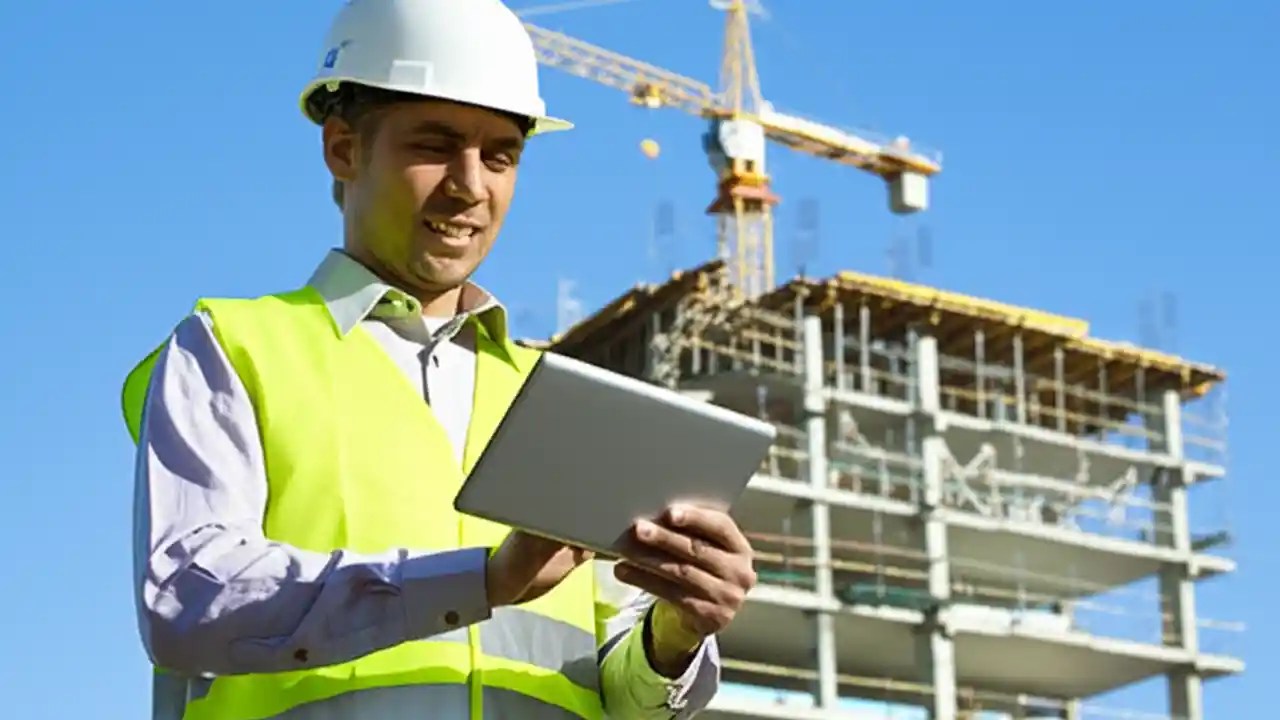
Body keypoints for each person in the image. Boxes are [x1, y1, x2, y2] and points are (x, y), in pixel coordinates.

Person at [119, 1, 758, 718]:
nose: (470, 185)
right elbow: (188, 600)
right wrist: (480, 581)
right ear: (342, 149)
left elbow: (620, 692)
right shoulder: (234, 349)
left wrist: (673, 637)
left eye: (500, 155)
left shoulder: (557, 398)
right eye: (435, 144)